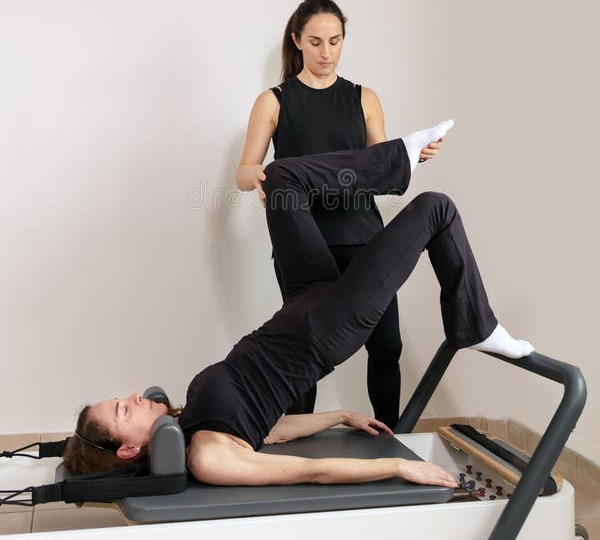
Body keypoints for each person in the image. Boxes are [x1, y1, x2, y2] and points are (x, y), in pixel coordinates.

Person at [64, 121, 533, 486]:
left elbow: (267, 427)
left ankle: (398, 161)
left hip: (303, 304)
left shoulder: (188, 423)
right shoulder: (207, 456)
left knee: (281, 176)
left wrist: (340, 416)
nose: (130, 398)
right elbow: (311, 471)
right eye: (122, 412)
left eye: (119, 399)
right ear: (128, 450)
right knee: (435, 208)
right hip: (327, 327)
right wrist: (397, 467)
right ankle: (476, 324)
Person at [236, 0, 443, 427]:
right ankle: (297, 444)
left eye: (334, 41)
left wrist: (411, 156)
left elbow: (378, 168)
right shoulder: (273, 101)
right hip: (304, 246)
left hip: (366, 238)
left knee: (387, 345)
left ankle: (391, 436)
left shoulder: (364, 98)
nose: (325, 52)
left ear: (344, 41)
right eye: (314, 42)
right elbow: (242, 171)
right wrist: (257, 174)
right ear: (296, 42)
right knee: (303, 352)